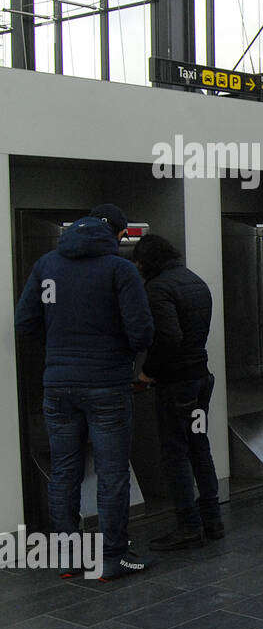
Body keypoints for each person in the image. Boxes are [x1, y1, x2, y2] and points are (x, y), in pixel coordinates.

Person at [14, 204, 155, 580]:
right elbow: (141, 331)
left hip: (57, 384)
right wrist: (119, 355)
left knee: (64, 471)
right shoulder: (120, 269)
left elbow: (25, 320)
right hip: (107, 383)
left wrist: (58, 350)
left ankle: (66, 556)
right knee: (111, 472)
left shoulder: (47, 264)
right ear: (118, 234)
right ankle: (111, 556)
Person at [133, 234, 224, 549]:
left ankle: (187, 526)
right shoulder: (194, 280)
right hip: (201, 379)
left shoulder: (158, 289)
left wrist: (148, 371)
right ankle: (213, 520)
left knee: (175, 453)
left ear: (147, 262)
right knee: (199, 446)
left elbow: (169, 337)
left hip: (177, 384)